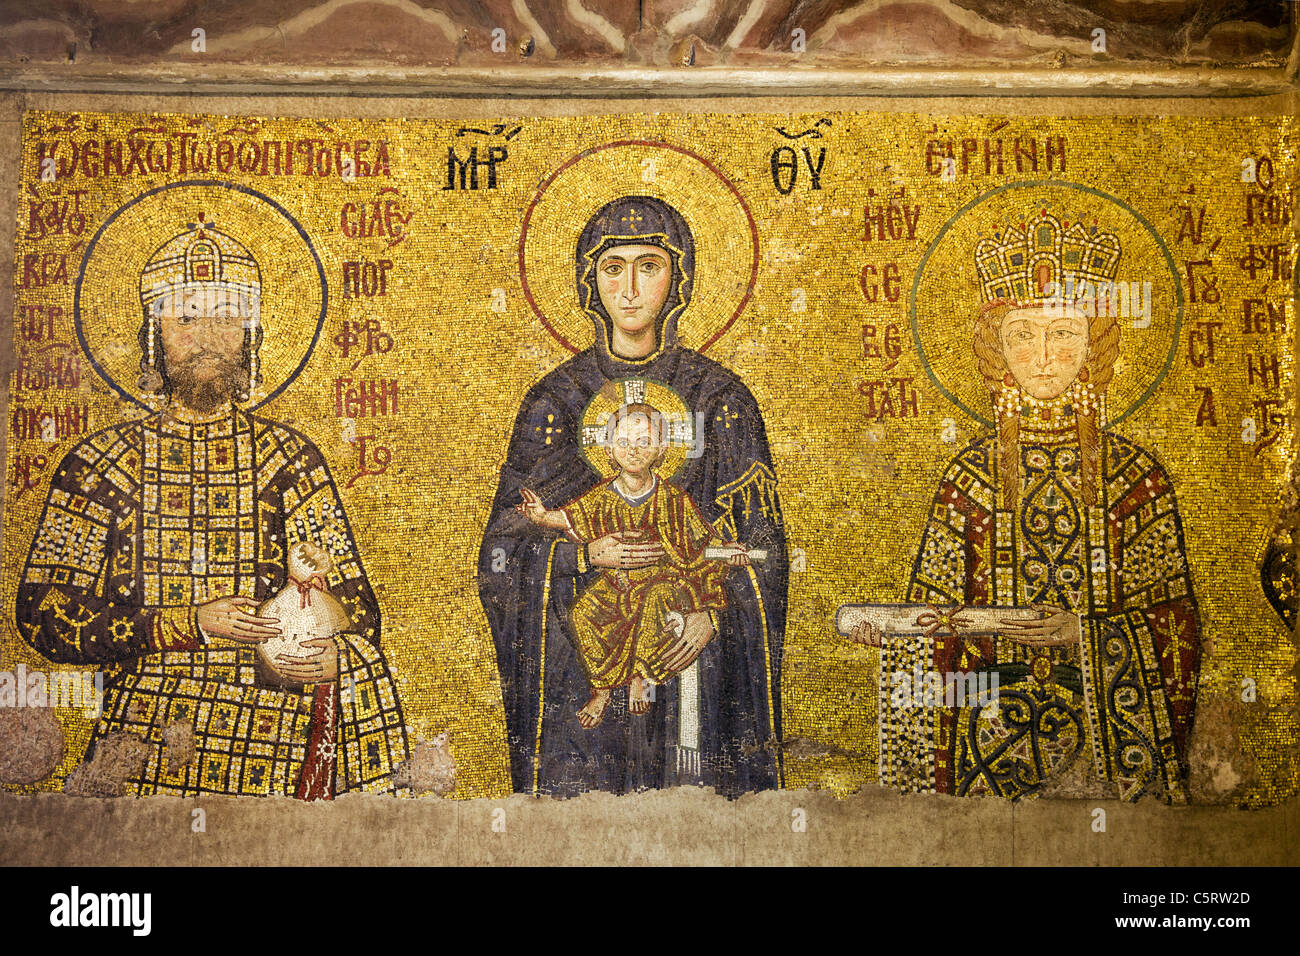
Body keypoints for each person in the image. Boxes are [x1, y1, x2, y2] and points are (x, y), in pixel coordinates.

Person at [16, 218, 408, 798]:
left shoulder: (288, 460)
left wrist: (336, 658)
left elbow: (353, 607)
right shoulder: (102, 464)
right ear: (153, 335)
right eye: (186, 317)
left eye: (226, 318)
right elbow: (43, 610)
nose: (207, 337)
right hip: (143, 745)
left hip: (274, 742)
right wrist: (188, 623)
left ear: (249, 335)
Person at [850, 212, 1200, 802]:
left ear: (1095, 342)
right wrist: (898, 633)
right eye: (1021, 334)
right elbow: (933, 619)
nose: (1042, 355)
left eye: (1063, 332)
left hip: (1103, 736)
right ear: (995, 347)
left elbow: (1175, 628)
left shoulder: (1136, 479)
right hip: (984, 739)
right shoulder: (970, 479)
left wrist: (1084, 637)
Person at [480, 195, 787, 796]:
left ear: (679, 279)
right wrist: (582, 557)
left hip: (690, 653)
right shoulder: (556, 403)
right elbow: (500, 555)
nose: (629, 288)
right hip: (579, 673)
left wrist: (713, 612)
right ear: (588, 282)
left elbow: (763, 553)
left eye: (649, 265)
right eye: (612, 267)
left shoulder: (719, 399)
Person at [518, 401, 751, 729]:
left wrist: (728, 552)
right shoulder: (602, 495)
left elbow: (701, 542)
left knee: (655, 603)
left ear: (661, 448)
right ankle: (601, 689)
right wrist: (543, 517)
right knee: (584, 613)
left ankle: (640, 676)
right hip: (616, 585)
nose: (633, 450)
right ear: (609, 449)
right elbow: (574, 516)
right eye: (624, 442)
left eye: (644, 442)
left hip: (662, 582)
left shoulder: (672, 499)